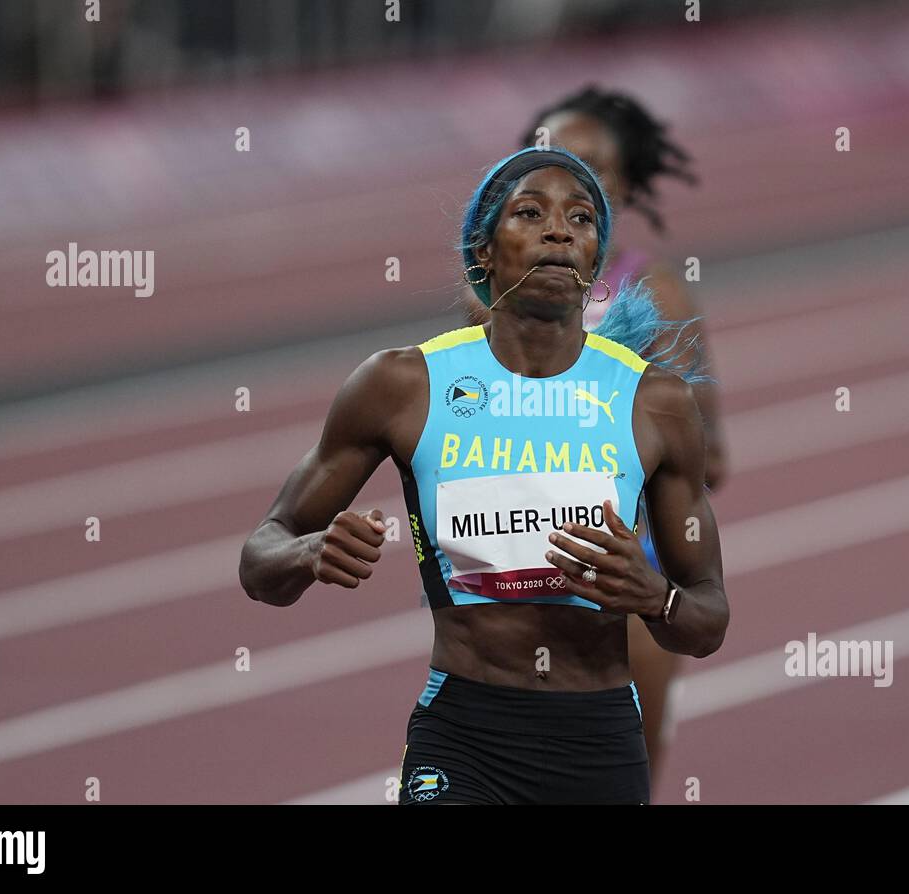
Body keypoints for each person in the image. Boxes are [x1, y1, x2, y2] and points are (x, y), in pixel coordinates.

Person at [240, 146, 729, 805]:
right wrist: (307, 550)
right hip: (465, 737)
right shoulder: (401, 385)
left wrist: (653, 597)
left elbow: (706, 618)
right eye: (531, 213)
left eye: (582, 220)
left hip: (598, 742)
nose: (560, 231)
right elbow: (259, 560)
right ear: (483, 255)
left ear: (594, 264)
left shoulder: (654, 402)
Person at [460, 86, 728, 783]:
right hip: (504, 573)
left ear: (623, 189)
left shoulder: (654, 293)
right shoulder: (482, 300)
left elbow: (711, 455)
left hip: (618, 571)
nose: (572, 177)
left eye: (594, 168)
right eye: (555, 159)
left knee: (618, 778)